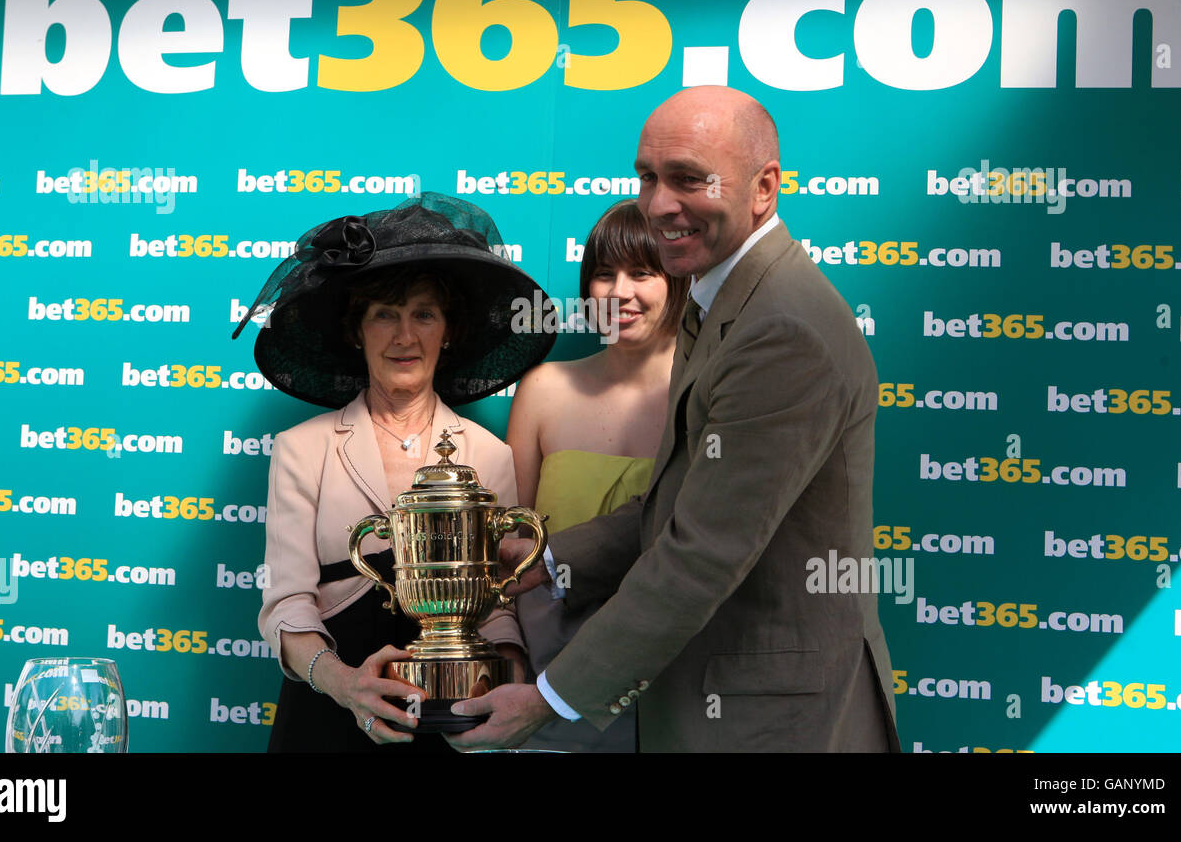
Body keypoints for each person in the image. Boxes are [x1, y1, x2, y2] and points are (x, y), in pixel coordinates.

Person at [447, 86, 899, 752]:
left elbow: (701, 553)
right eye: (648, 178)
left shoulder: (779, 328)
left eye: (688, 179)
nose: (658, 205)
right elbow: (684, 504)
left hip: (769, 722)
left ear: (763, 187)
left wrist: (549, 698)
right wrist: (547, 558)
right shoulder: (726, 301)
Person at [233, 193, 554, 751]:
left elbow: (497, 601)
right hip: (328, 714)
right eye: (385, 315)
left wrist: (507, 670)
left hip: (453, 718)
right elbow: (285, 605)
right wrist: (345, 684)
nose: (405, 337)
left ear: (448, 331)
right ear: (357, 331)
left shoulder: (489, 454)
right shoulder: (299, 449)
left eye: (423, 314)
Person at [507, 201, 688, 752]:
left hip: (673, 675)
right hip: (547, 675)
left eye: (642, 272)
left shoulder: (705, 395)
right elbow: (508, 543)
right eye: (604, 274)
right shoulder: (542, 388)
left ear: (678, 281)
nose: (619, 291)